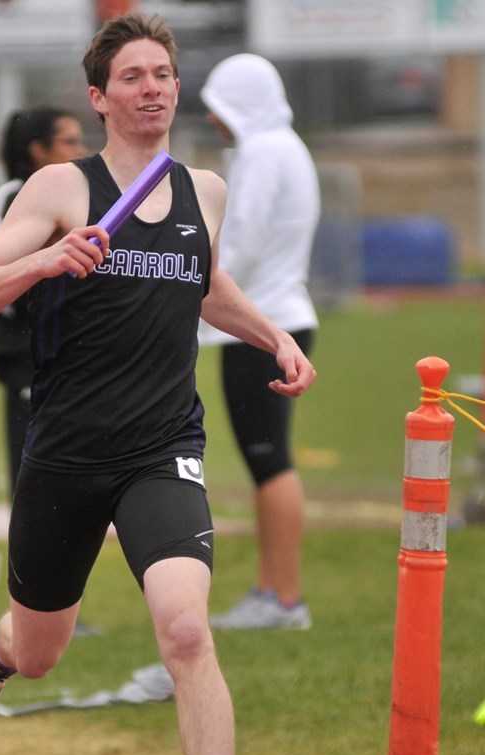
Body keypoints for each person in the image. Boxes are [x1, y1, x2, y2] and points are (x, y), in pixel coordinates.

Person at [0, 13, 316, 755]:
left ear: (177, 89)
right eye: (133, 77)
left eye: (163, 74)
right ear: (99, 96)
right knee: (41, 651)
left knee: (186, 628)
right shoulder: (60, 189)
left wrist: (271, 337)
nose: (151, 88)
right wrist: (47, 262)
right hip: (67, 453)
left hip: (162, 448)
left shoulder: (204, 190)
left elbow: (206, 284)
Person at [197, 53, 320, 632]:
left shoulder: (263, 153)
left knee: (271, 462)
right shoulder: (284, 146)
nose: (213, 120)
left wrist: (194, 284)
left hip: (262, 326)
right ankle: (271, 591)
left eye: (220, 108)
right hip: (279, 318)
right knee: (264, 461)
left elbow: (237, 244)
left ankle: (285, 598)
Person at [0, 106, 87, 495]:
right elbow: (7, 275)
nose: (82, 149)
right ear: (38, 151)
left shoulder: (81, 194)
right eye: (71, 141)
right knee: (30, 464)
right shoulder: (12, 197)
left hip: (71, 348)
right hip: (26, 350)